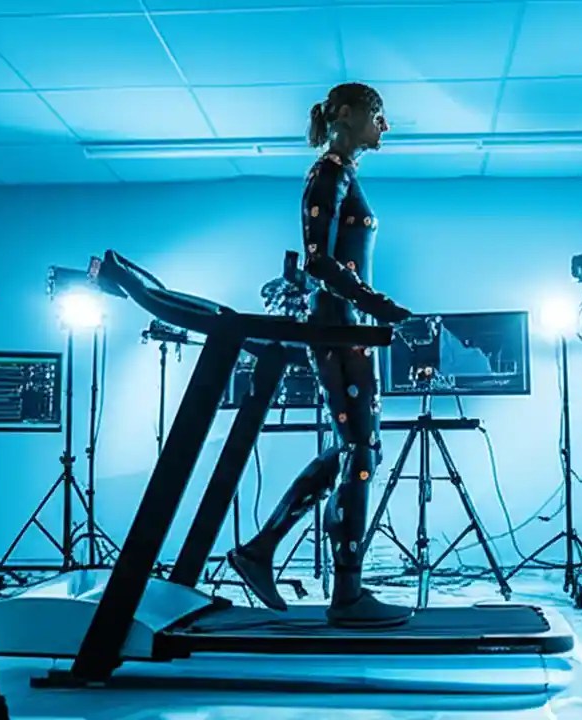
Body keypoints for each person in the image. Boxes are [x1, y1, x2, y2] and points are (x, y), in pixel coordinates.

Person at [227, 82, 415, 628]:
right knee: (361, 453)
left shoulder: (342, 174)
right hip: (337, 327)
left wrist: (371, 310)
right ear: (348, 115)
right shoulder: (329, 173)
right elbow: (317, 261)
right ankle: (347, 594)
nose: (385, 126)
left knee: (356, 449)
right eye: (378, 115)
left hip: (345, 326)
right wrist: (378, 304)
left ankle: (260, 551)